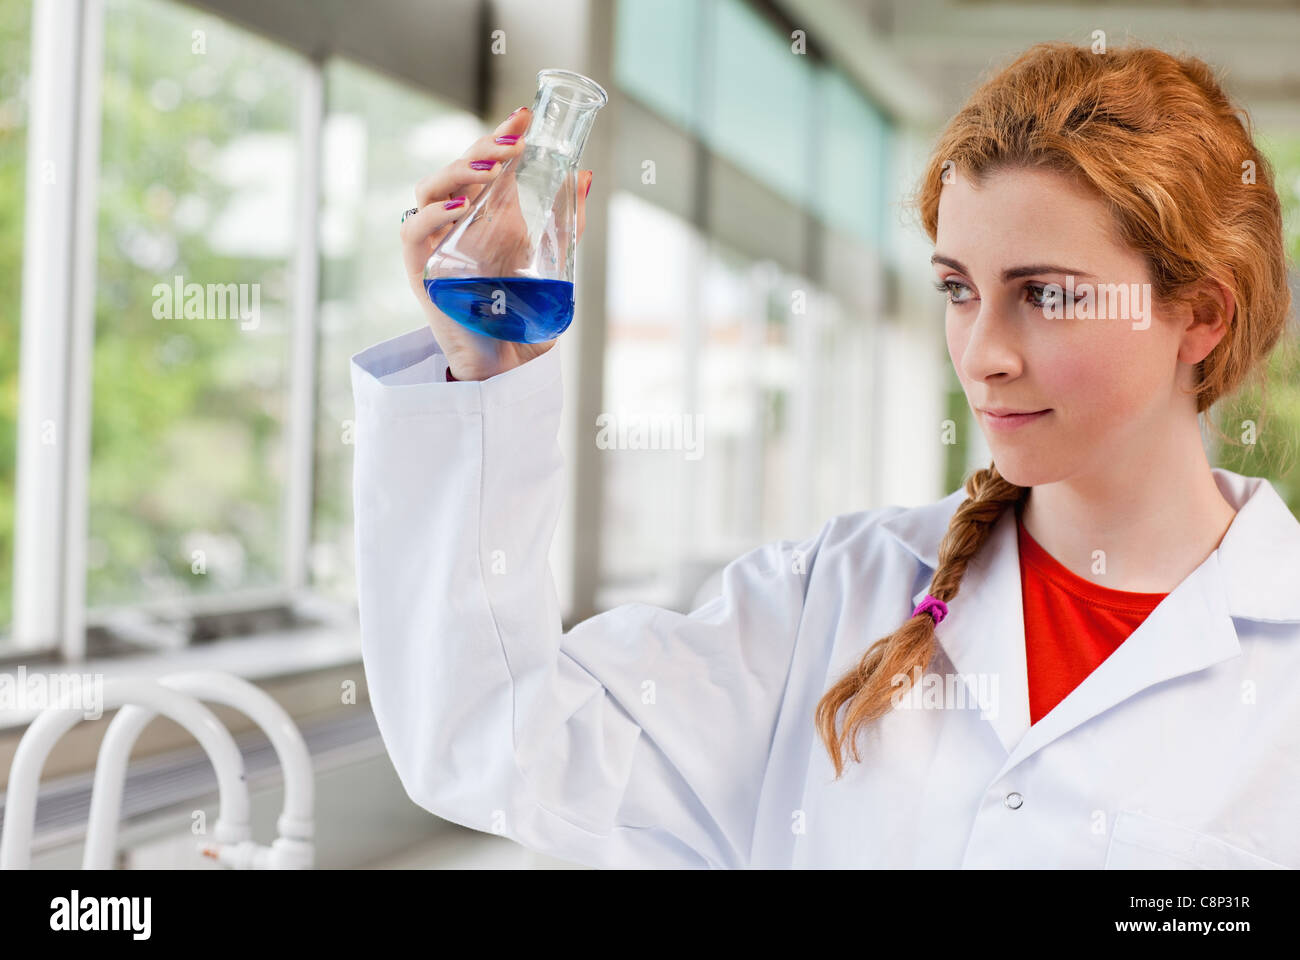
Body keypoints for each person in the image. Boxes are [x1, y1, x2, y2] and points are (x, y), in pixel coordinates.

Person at [351, 42, 1299, 868]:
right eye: (958, 289)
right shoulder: (828, 601)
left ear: (1200, 315)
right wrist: (485, 376)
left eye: (1046, 295)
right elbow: (495, 741)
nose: (983, 353)